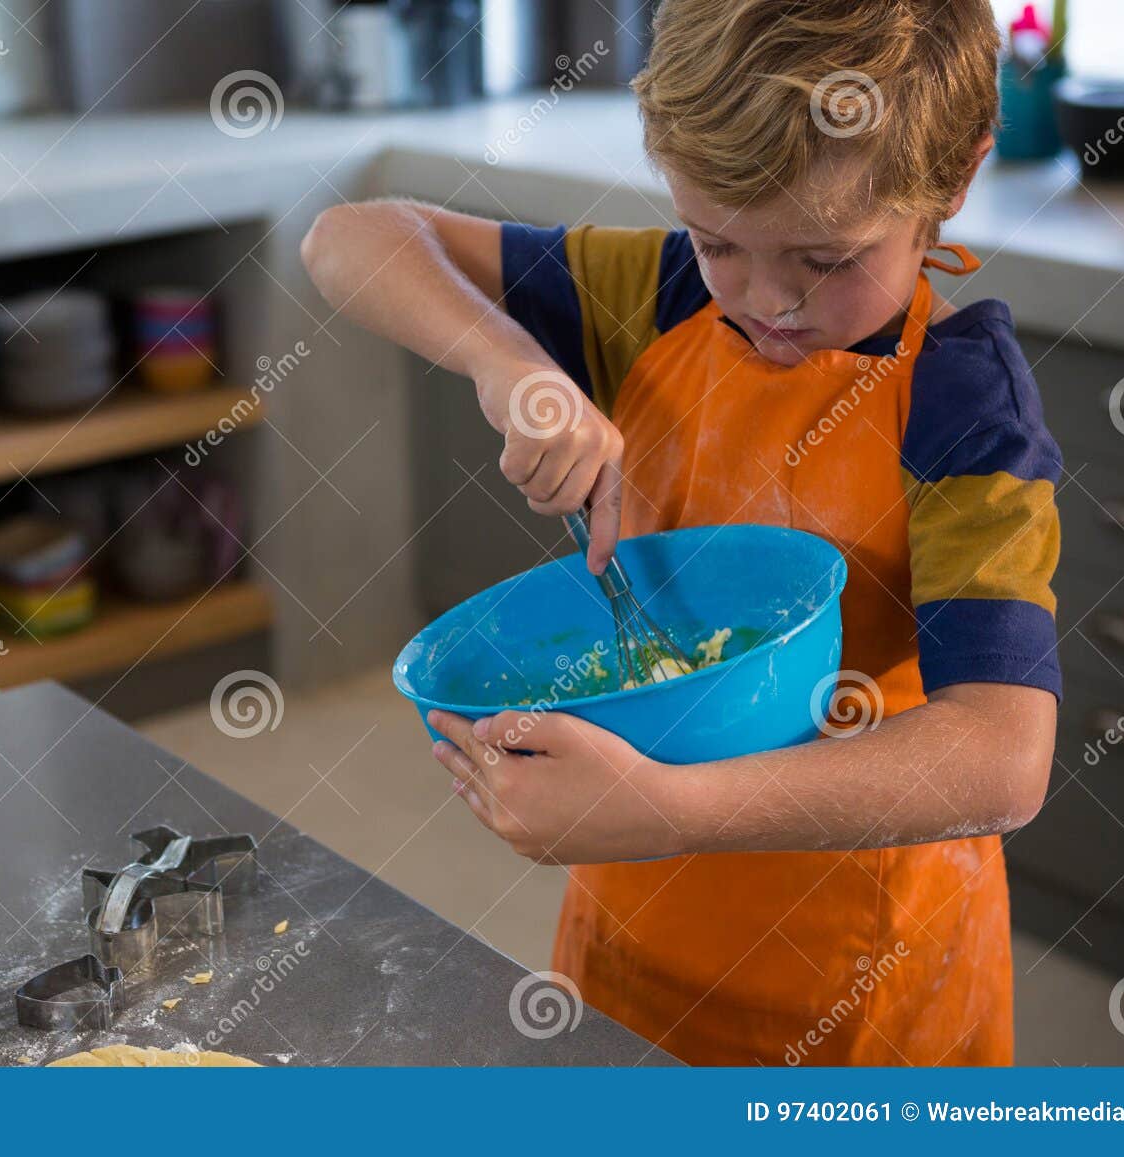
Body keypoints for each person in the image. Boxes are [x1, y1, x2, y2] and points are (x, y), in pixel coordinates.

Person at [300, 0, 1060, 1065]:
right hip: (628, 923)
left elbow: (1001, 755)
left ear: (954, 177)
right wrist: (508, 363)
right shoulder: (653, 295)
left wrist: (671, 806)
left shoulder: (963, 402)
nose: (765, 301)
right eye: (719, 243)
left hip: (860, 977)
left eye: (825, 258)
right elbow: (353, 235)